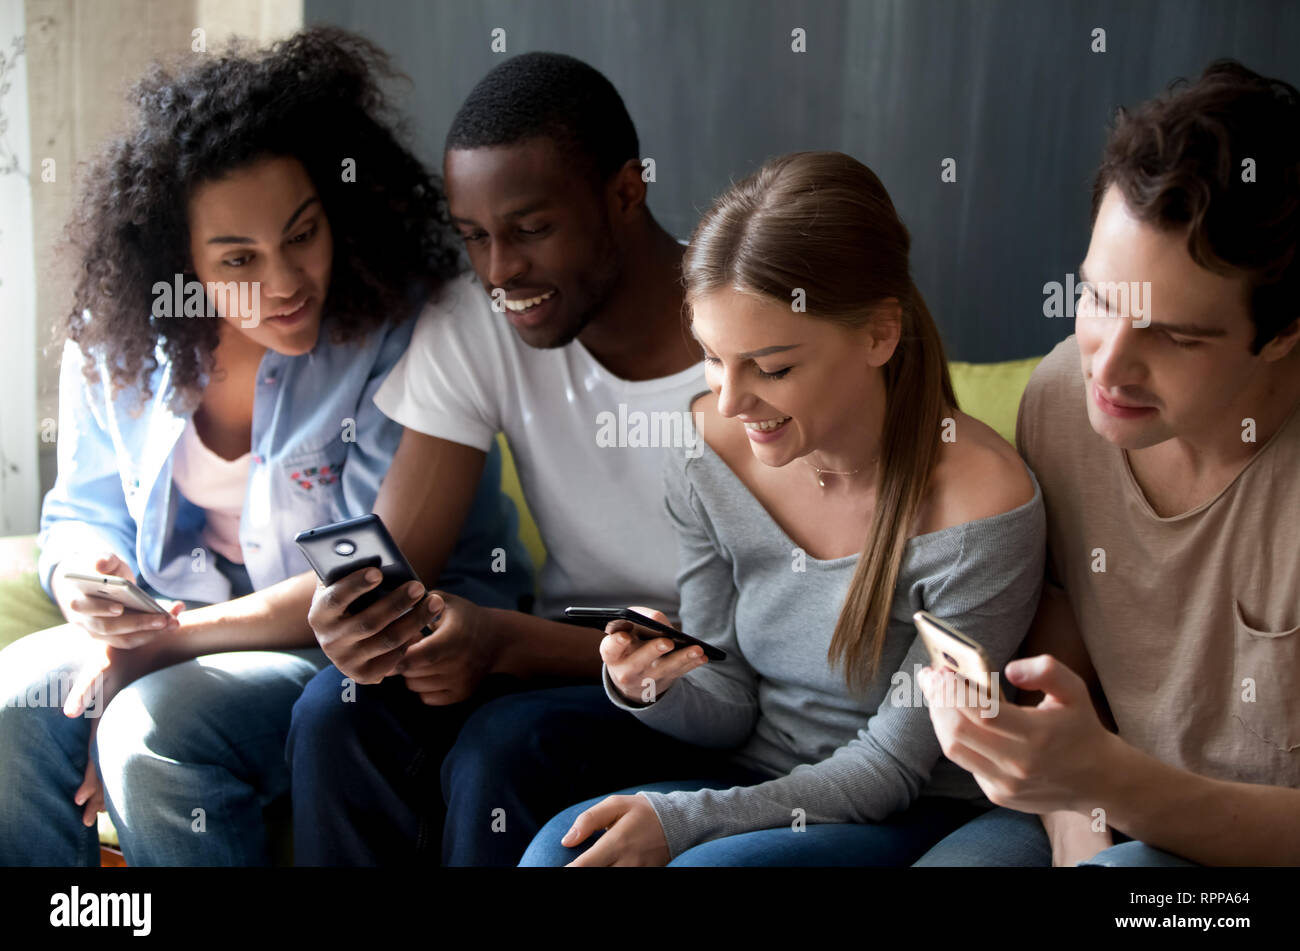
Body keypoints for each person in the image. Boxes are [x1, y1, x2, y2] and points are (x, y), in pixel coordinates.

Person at [0, 27, 530, 867]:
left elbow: (367, 574)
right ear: (178, 260)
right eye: (238, 258)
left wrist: (159, 648)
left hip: (343, 647)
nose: (284, 283)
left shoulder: (402, 329)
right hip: (175, 624)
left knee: (152, 732)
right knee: (13, 705)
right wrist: (89, 584)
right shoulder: (118, 344)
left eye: (303, 234)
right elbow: (80, 512)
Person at [516, 150, 1047, 866]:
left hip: (911, 805)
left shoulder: (980, 507)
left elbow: (890, 769)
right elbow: (728, 701)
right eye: (712, 357)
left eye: (773, 367)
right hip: (758, 776)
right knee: (558, 852)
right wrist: (650, 685)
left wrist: (687, 820)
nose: (731, 402)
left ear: (878, 334)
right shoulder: (711, 450)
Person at [286, 52, 715, 865]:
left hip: (713, 686)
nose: (499, 272)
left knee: (506, 747)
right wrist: (356, 621)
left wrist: (504, 642)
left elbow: (748, 651)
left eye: (530, 230)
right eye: (474, 237)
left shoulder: (750, 339)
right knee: (337, 709)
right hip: (572, 659)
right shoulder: (480, 321)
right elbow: (401, 555)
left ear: (627, 193)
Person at [915, 59, 1300, 867]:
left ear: (1286, 331)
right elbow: (1068, 673)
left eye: (1174, 336)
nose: (1109, 366)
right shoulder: (1063, 400)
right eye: (1098, 299)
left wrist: (1115, 794)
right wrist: (1069, 808)